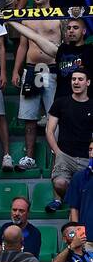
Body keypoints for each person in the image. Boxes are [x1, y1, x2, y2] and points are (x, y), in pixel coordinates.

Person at [46, 68, 93, 211]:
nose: (76, 82)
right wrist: (57, 151)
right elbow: (49, 130)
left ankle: (76, 205)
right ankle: (63, 201)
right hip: (65, 155)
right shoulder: (60, 102)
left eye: (80, 79)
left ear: (88, 82)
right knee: (59, 183)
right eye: (73, 79)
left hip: (86, 157)